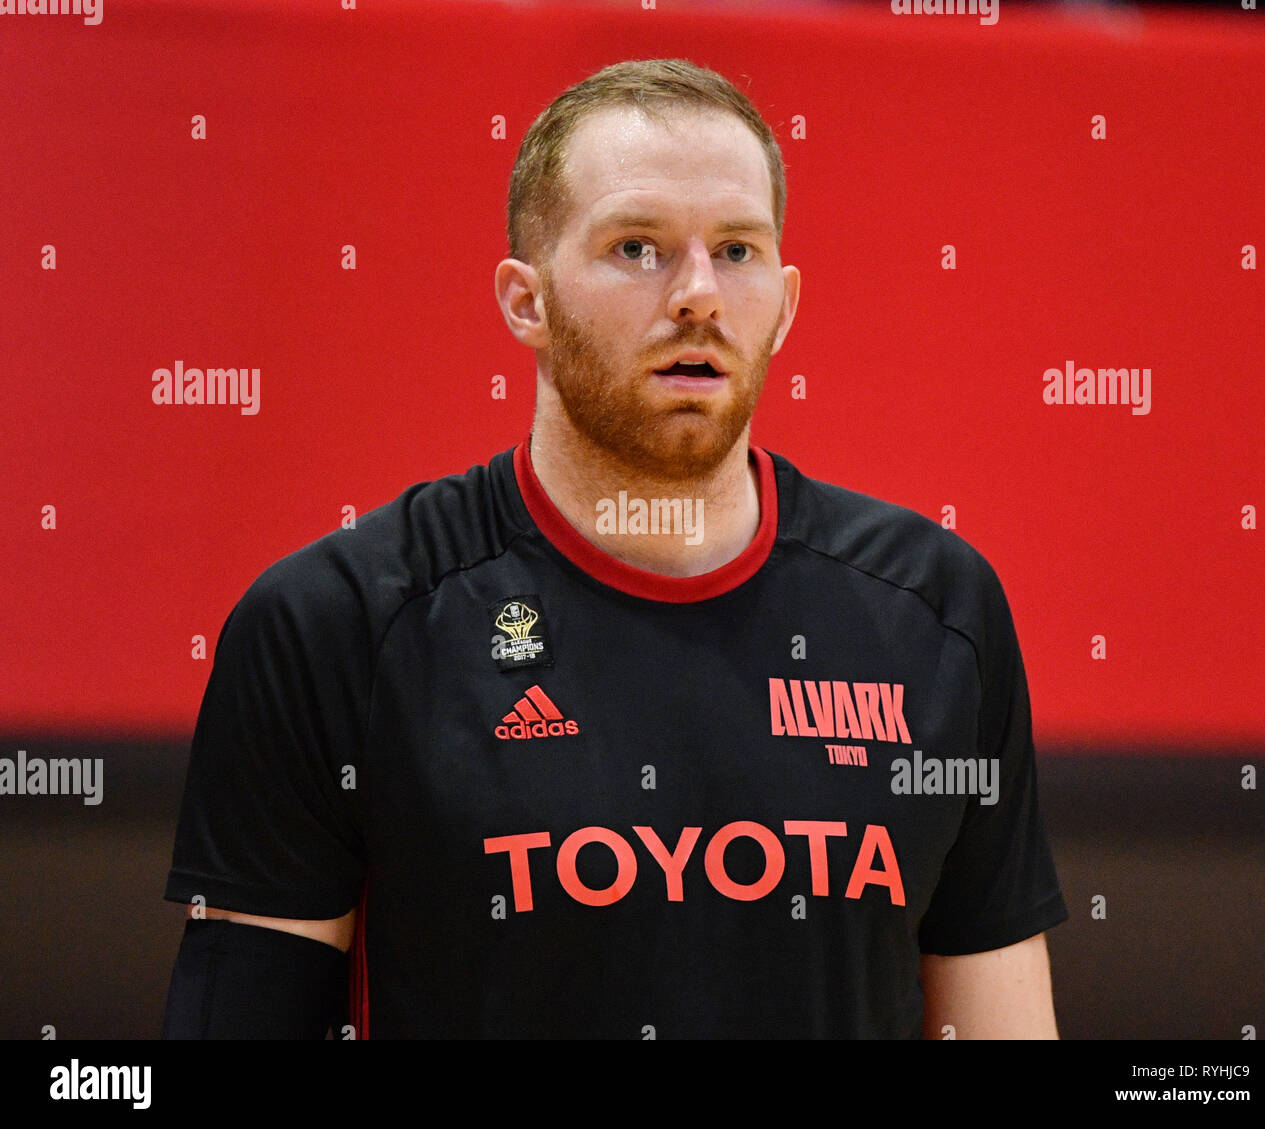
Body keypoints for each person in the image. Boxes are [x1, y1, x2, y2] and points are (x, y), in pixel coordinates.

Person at [161, 57, 1067, 1039]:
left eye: (736, 251)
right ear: (525, 301)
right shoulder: (335, 622)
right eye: (637, 248)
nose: (698, 296)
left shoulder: (934, 612)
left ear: (787, 303)